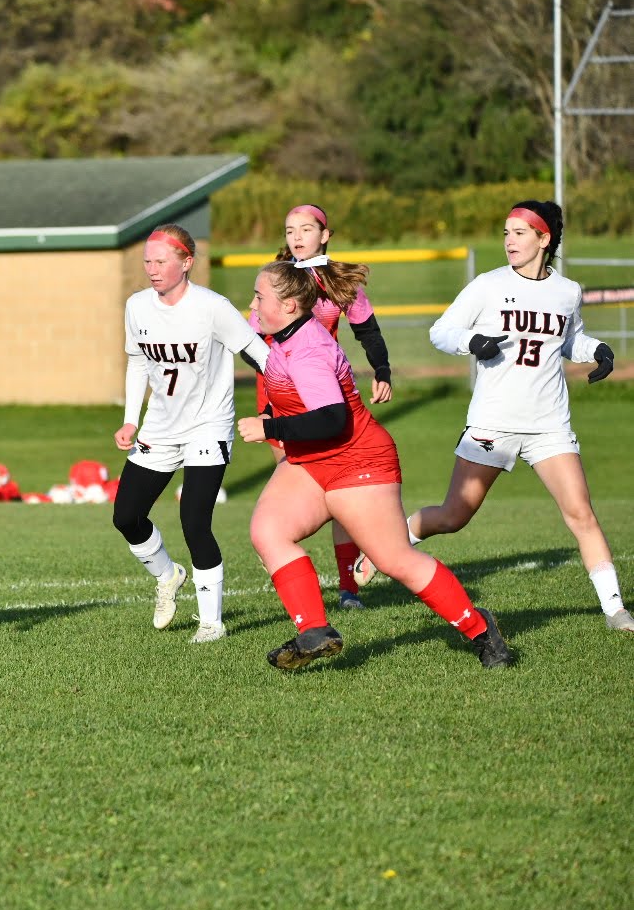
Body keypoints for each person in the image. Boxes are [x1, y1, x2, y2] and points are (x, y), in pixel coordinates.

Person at [356, 201, 628, 632]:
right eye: (506, 233)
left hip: (549, 424)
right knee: (453, 516)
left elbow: (567, 339)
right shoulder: (488, 285)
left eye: (520, 233)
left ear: (545, 239)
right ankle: (382, 547)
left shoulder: (567, 291)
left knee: (581, 513)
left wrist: (596, 350)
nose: (509, 241)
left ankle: (615, 610)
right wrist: (474, 341)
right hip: (493, 423)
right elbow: (441, 331)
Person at [239, 260, 513, 671]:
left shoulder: (309, 349)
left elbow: (333, 418)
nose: (253, 303)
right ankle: (314, 630)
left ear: (291, 305)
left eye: (260, 296)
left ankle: (479, 628)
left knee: (393, 560)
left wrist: (270, 427)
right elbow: (247, 343)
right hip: (310, 461)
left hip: (357, 460)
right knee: (268, 531)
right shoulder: (281, 332)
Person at [113, 224, 270, 643]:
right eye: (147, 260)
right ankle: (168, 576)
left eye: (161, 260)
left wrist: (288, 399)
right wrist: (131, 419)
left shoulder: (212, 307)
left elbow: (259, 354)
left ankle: (211, 623)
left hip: (208, 424)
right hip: (159, 428)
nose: (152, 268)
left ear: (186, 263)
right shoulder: (137, 307)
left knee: (194, 519)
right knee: (126, 516)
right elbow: (137, 364)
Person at [251, 204, 393, 611]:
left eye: (306, 229)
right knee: (291, 480)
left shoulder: (339, 281)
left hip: (322, 395)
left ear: (325, 234)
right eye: (290, 229)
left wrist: (382, 370)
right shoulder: (276, 280)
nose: (297, 237)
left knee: (340, 490)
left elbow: (368, 331)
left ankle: (349, 590)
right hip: (278, 398)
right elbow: (251, 340)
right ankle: (285, 560)